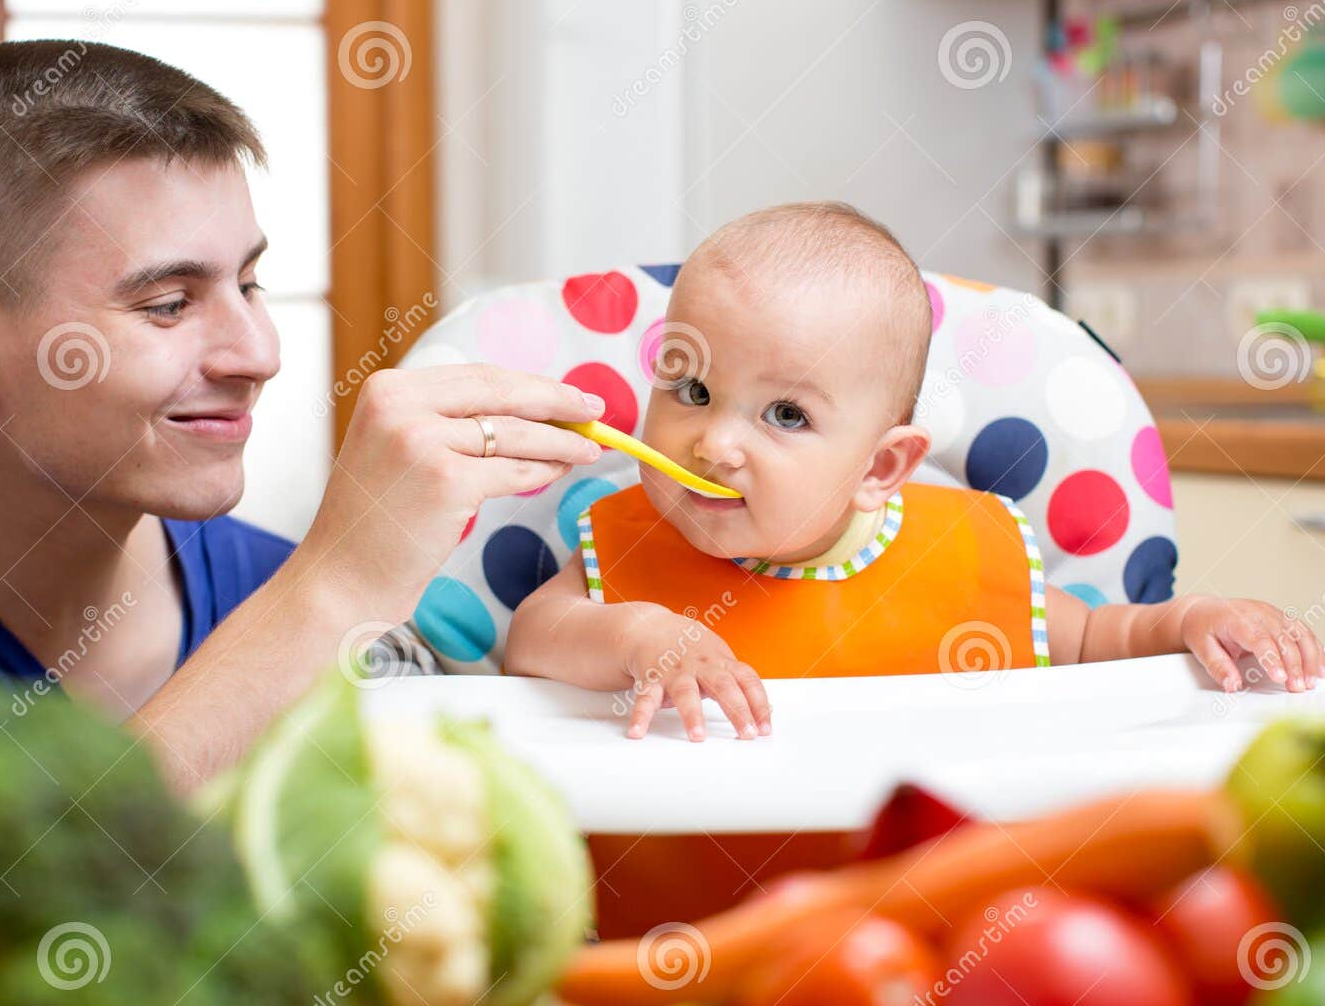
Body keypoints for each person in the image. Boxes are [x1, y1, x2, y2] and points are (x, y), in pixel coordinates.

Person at [0, 40, 605, 791]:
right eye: (168, 304)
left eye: (249, 284)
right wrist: (330, 589)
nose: (257, 353)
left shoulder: (275, 589)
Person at [506, 201, 1324, 740]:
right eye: (692, 388)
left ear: (882, 465)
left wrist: (1191, 621)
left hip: (928, 930)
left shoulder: (970, 554)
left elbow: (1103, 638)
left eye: (786, 415)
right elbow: (532, 642)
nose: (714, 443)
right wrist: (639, 635)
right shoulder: (625, 542)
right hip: (676, 930)